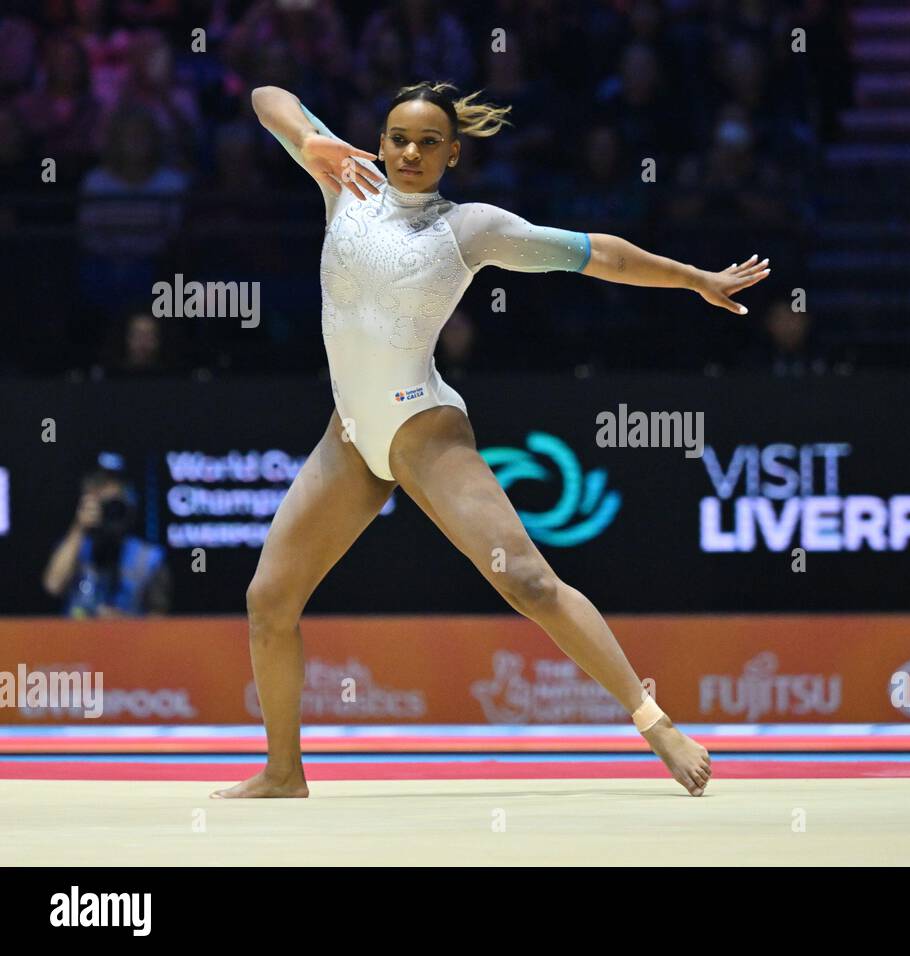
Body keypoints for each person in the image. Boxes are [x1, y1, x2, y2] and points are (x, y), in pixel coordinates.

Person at [214, 81, 770, 800]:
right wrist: (310, 138)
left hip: (422, 426)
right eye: (397, 138)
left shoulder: (471, 228)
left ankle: (656, 722)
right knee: (269, 602)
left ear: (452, 154)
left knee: (528, 581)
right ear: (379, 142)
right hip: (350, 434)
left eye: (426, 143)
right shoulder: (343, 178)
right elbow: (265, 95)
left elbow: (595, 253)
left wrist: (694, 278)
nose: (408, 152)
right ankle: (284, 773)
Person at [43, 458, 170, 618]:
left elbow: (161, 624)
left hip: (129, 641)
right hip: (75, 639)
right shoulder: (74, 546)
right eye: (104, 505)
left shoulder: (150, 557)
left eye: (115, 504)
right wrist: (79, 527)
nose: (110, 512)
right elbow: (53, 585)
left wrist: (123, 624)